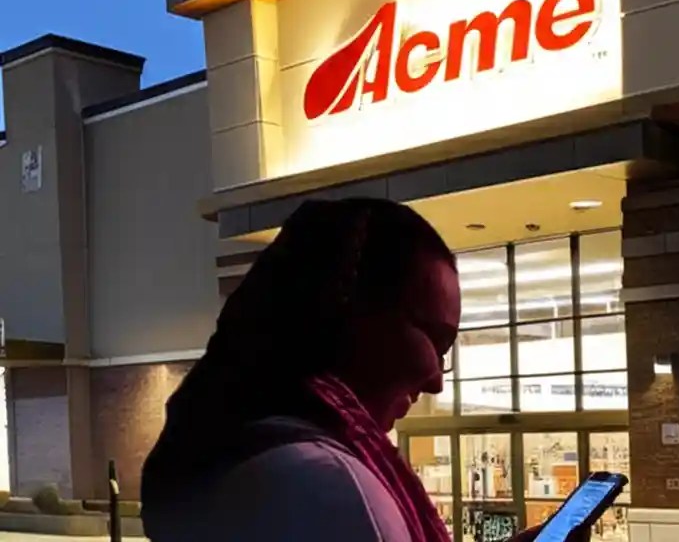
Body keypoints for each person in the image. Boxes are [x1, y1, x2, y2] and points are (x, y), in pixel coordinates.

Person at [141, 198, 540, 541]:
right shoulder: (329, 485)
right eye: (436, 340)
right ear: (351, 313)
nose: (436, 379)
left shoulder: (237, 454)